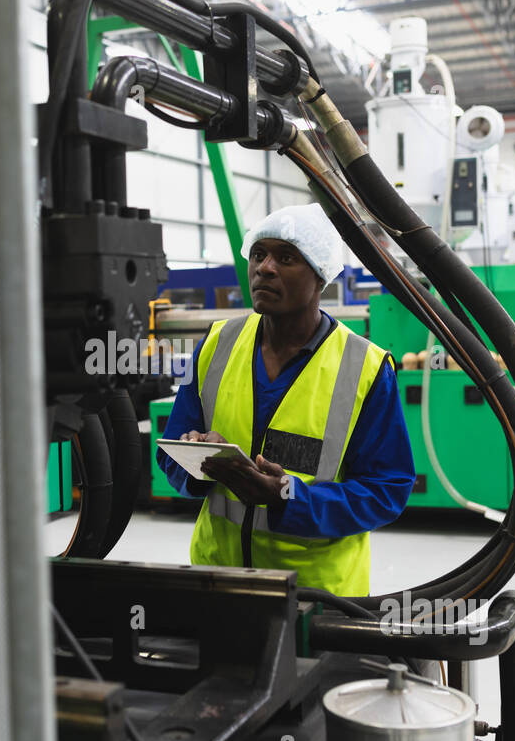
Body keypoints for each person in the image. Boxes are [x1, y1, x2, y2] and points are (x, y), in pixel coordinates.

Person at [157, 203, 414, 597]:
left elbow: (386, 490)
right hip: (218, 581)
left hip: (317, 596)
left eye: (286, 257)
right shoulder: (216, 345)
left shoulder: (365, 367)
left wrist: (288, 497)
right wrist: (196, 461)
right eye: (259, 255)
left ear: (320, 275)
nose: (266, 268)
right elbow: (171, 449)